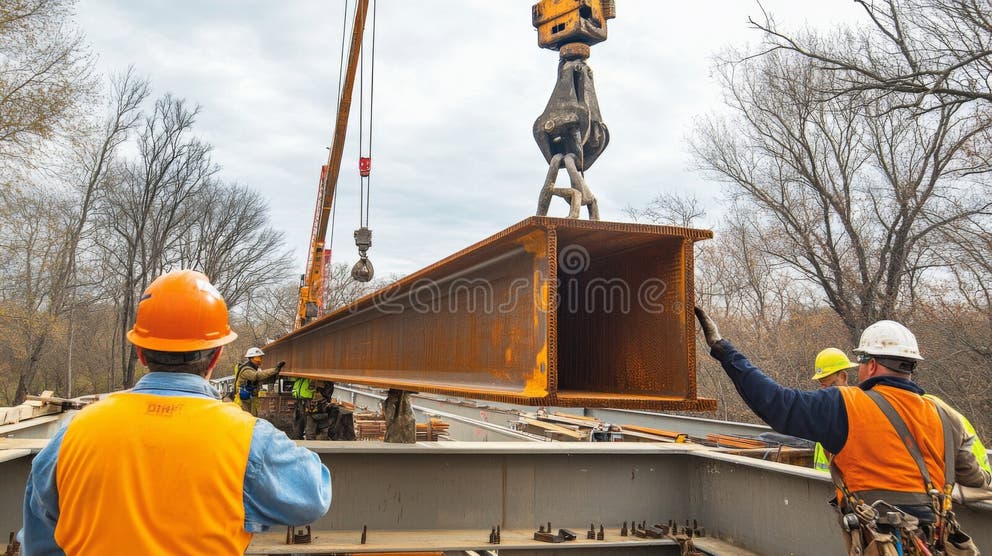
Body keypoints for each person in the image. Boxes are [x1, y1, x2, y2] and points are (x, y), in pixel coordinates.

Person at [20, 270, 331, 554]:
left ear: (140, 352)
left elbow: (40, 538)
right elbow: (312, 497)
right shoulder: (247, 439)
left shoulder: (75, 431)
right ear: (216, 355)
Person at [694, 307, 990, 551]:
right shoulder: (944, 413)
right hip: (933, 541)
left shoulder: (846, 405)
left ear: (871, 365)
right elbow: (975, 477)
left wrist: (724, 350)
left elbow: (775, 402)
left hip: (883, 541)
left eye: (860, 362)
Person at [809, 348, 858, 473]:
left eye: (828, 385)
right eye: (821, 384)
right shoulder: (826, 410)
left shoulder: (854, 409)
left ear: (842, 377)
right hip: (821, 483)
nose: (824, 391)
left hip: (840, 487)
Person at [235, 346, 284, 416]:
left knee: (252, 417)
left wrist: (274, 376)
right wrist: (274, 370)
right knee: (246, 419)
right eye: (257, 358)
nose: (259, 360)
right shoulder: (246, 370)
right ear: (250, 358)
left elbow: (260, 380)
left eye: (261, 358)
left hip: (250, 400)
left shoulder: (253, 369)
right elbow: (256, 376)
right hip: (243, 402)